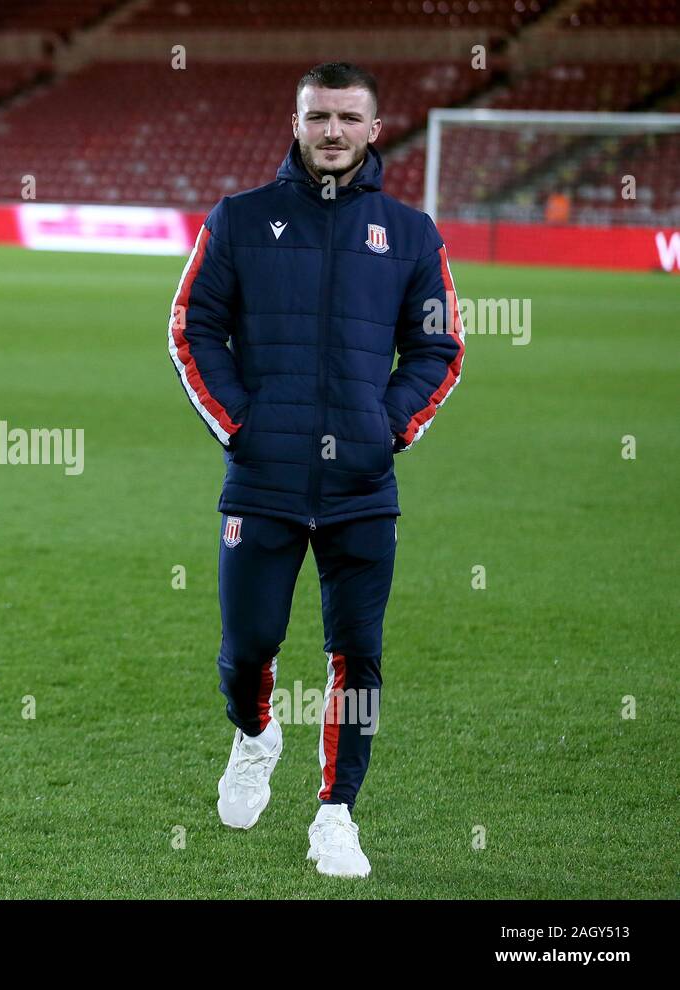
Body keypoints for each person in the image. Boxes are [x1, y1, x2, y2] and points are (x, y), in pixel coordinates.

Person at [166, 62, 466, 878]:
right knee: (246, 647)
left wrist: (385, 430)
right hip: (263, 478)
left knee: (356, 655)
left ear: (375, 129)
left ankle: (336, 814)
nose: (331, 131)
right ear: (295, 124)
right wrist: (244, 428)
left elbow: (440, 345)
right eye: (316, 116)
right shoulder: (239, 219)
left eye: (347, 117)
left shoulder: (412, 235)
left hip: (362, 487)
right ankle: (256, 734)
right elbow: (192, 328)